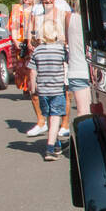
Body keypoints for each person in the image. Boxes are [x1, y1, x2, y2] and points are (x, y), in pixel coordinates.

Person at [28, 19, 68, 161]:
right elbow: (66, 65)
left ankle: (57, 144)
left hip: (43, 90)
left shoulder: (37, 50)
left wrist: (33, 88)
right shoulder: (61, 50)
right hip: (57, 89)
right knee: (55, 117)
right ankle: (50, 148)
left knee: (51, 117)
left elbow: (32, 71)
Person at [11, 0, 45, 134]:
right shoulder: (17, 9)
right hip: (23, 50)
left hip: (39, 49)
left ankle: (54, 120)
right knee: (32, 86)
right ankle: (40, 120)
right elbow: (12, 27)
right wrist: (15, 40)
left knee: (46, 86)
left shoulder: (39, 10)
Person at [65, 0, 92, 121]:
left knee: (82, 111)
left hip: (76, 69)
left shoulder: (70, 17)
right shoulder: (93, 20)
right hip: (94, 69)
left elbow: (66, 39)